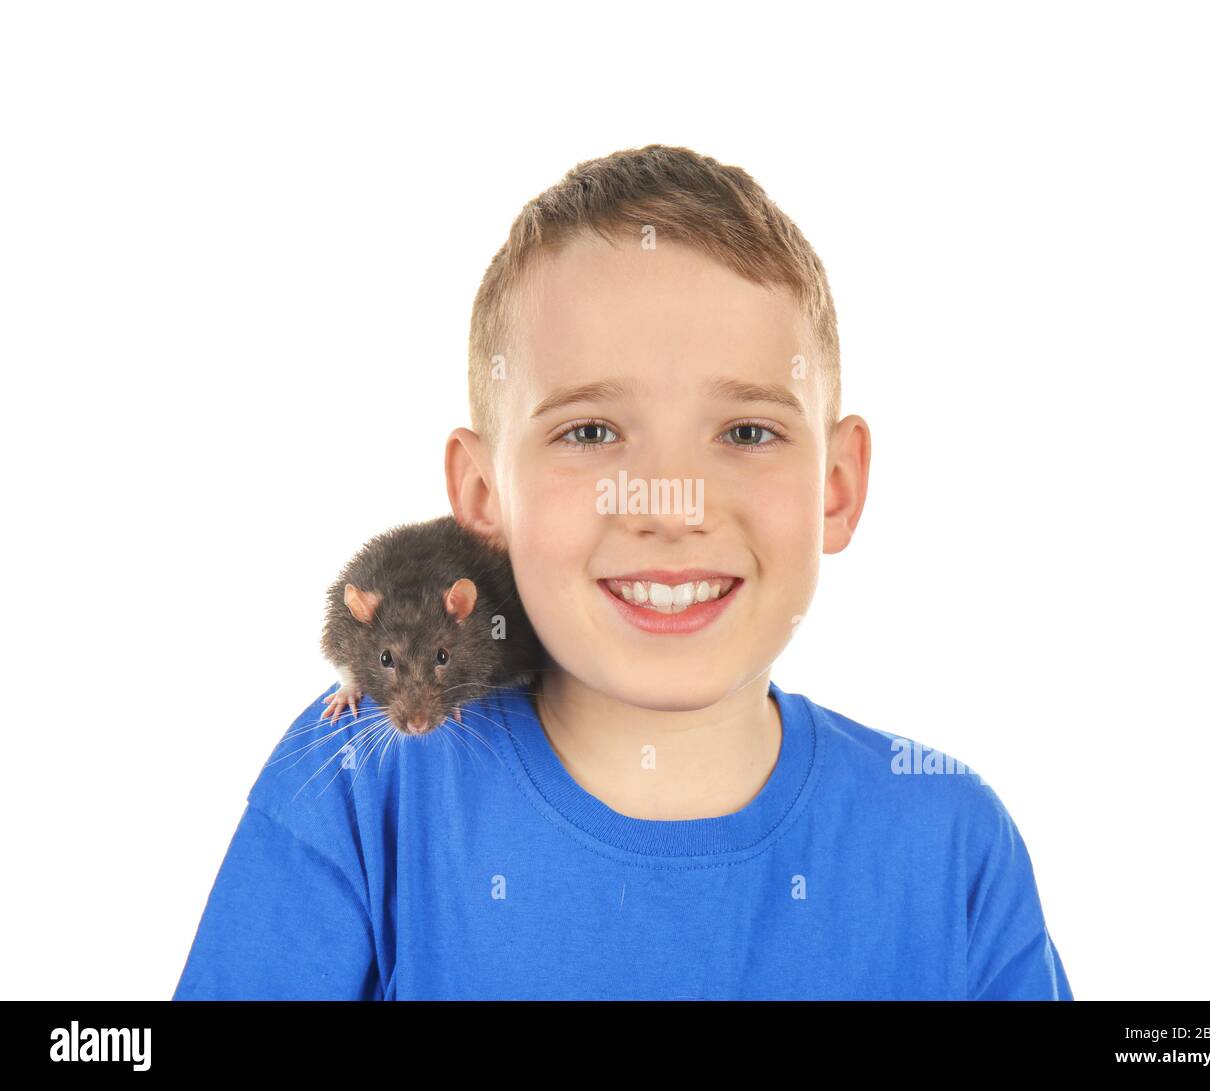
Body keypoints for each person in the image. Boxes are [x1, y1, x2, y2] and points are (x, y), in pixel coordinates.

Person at [173, 144, 1072, 1000]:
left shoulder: (951, 842)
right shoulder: (361, 785)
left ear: (835, 488)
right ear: (484, 495)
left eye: (748, 432)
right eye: (592, 433)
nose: (671, 503)